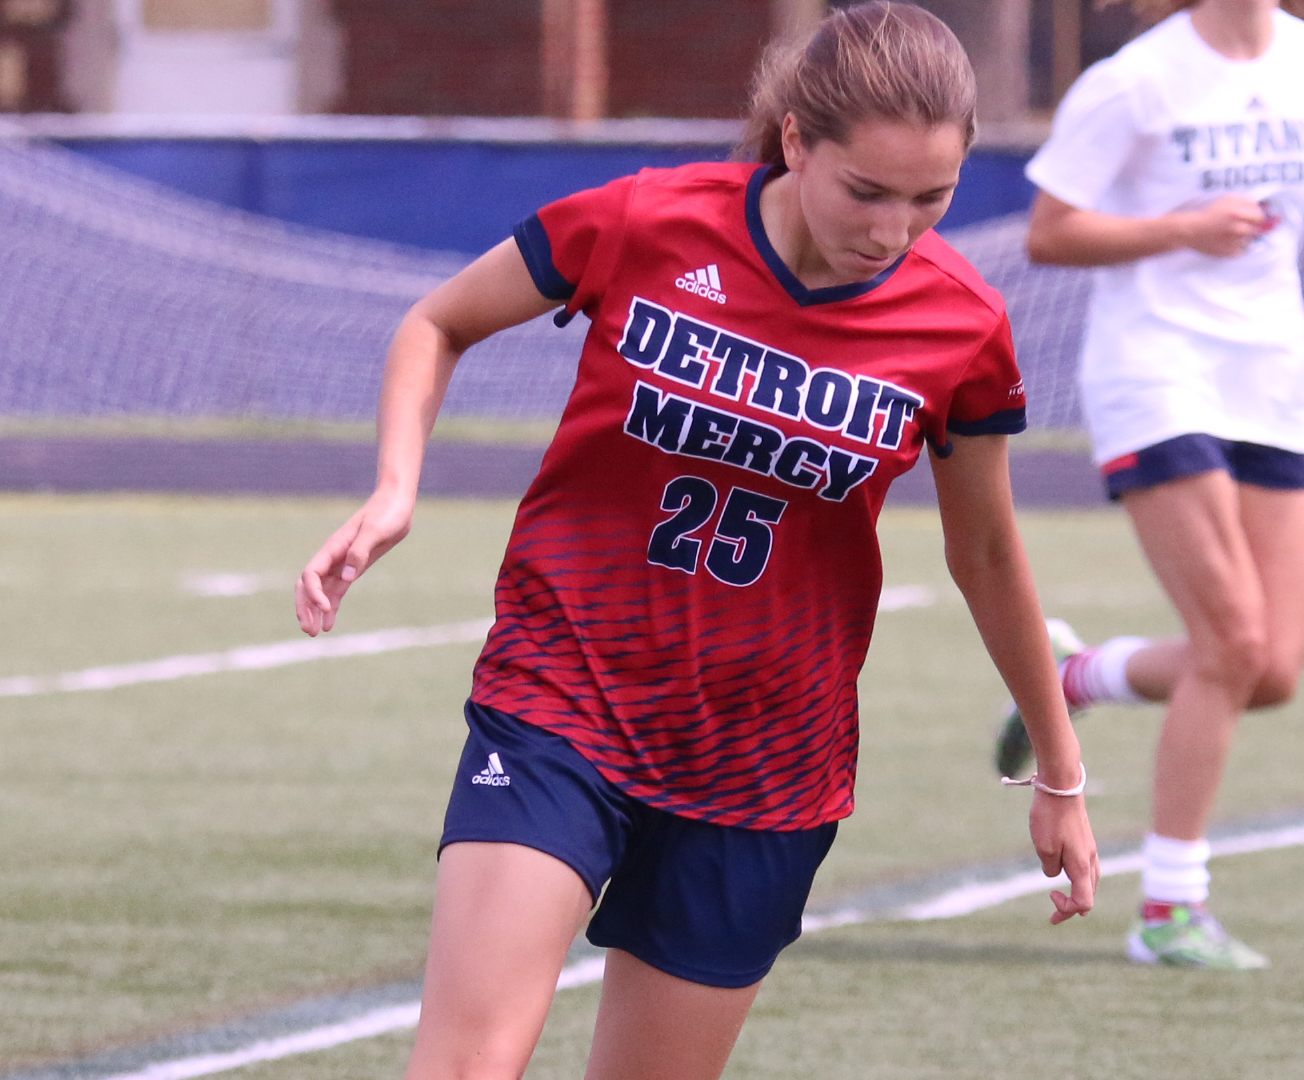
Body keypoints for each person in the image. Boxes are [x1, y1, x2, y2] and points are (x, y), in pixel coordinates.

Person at [295, 5, 1097, 1076]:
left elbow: (988, 553)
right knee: (467, 1062)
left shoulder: (962, 327)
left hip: (768, 755)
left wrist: (1059, 768)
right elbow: (437, 322)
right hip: (565, 693)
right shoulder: (643, 223)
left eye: (931, 199)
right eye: (868, 191)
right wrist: (397, 486)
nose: (894, 230)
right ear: (798, 141)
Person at [993, 0, 1304, 969]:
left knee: (1269, 670)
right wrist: (1179, 227)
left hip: (1270, 379)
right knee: (1230, 641)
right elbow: (1051, 234)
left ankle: (1078, 677)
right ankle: (1170, 911)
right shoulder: (1134, 80)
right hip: (1156, 373)